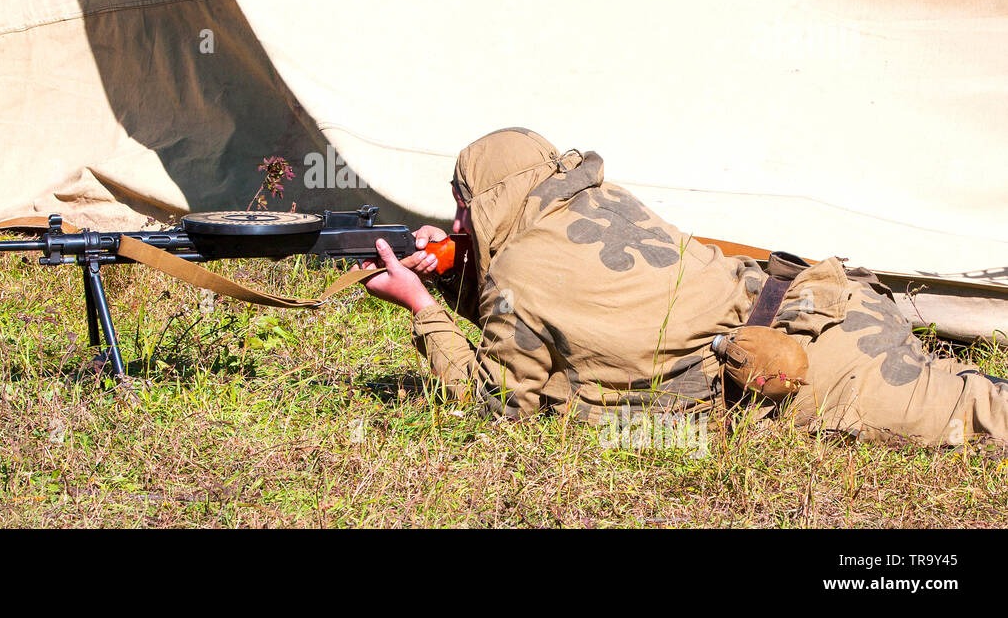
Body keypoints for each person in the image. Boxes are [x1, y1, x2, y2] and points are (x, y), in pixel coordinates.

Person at [357, 127, 1008, 446]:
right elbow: (563, 319)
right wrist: (453, 275)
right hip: (825, 301)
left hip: (812, 371)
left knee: (989, 420)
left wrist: (422, 307)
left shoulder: (522, 273)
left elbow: (499, 402)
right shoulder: (591, 199)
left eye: (461, 204)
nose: (456, 221)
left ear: (491, 196)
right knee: (974, 392)